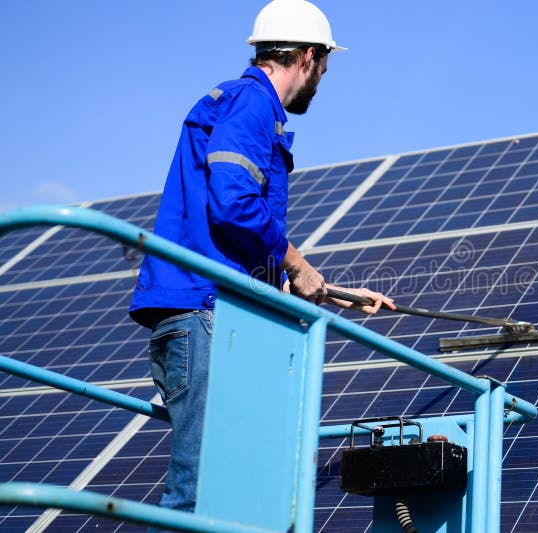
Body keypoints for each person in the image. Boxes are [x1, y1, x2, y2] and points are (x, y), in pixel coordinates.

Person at [129, 0, 395, 522]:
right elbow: (234, 201)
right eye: (325, 66)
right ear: (309, 57)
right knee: (200, 492)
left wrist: (334, 292)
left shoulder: (233, 102)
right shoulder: (253, 104)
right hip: (206, 313)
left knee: (230, 487)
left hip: (195, 308)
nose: (323, 78)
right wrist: (297, 266)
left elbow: (231, 236)